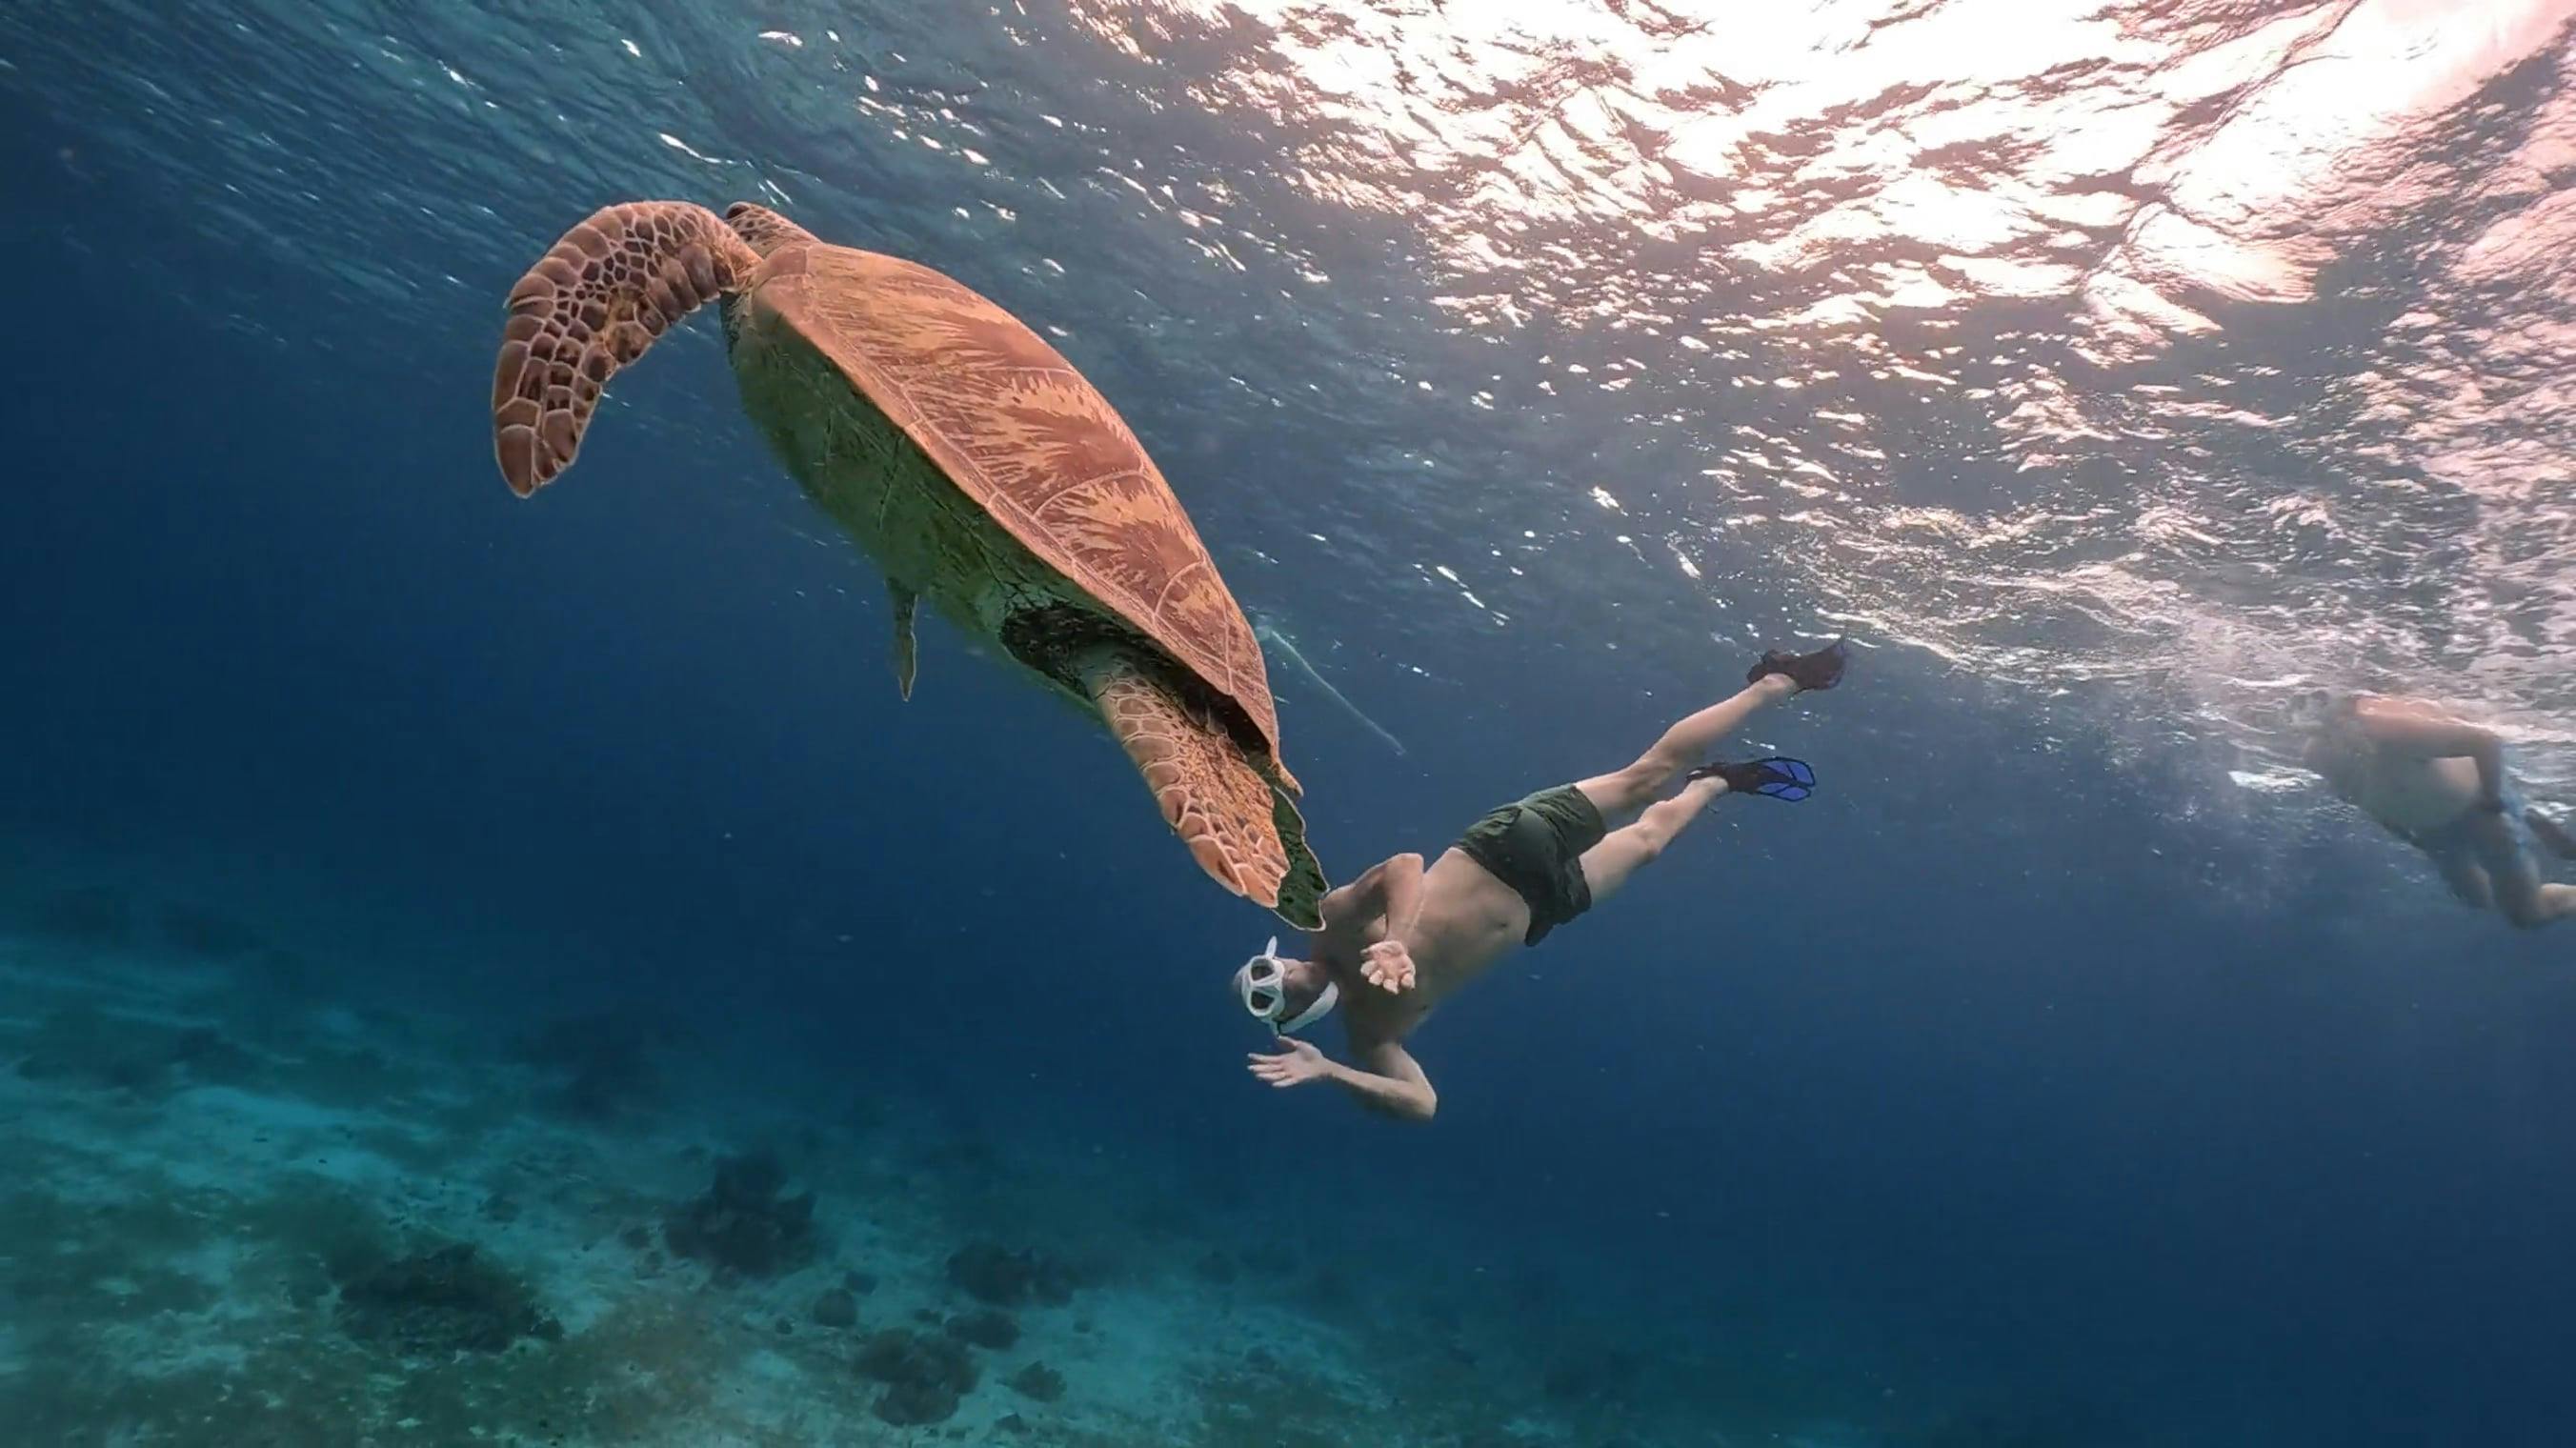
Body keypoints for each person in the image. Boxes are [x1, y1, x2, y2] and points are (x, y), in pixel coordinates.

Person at [1233, 639, 1850, 1120]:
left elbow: (1404, 865)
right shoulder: (1373, 1035)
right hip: (1542, 908)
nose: (1277, 977)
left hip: (1501, 848)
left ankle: (1777, 680)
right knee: (1649, 843)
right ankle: (1718, 782)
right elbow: (1422, 1104)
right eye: (1267, 994)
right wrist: (1329, 1072)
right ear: (1288, 1022)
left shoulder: (1331, 925)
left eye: (1265, 967)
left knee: (1643, 779)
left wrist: (1395, 938)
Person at [2302, 692, 2576, 930]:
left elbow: (2484, 741)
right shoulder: (2316, 757)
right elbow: (2360, 797)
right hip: (2430, 830)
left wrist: (2492, 803)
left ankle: (2534, 826)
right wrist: (2404, 833)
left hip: (2479, 810)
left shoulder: (2386, 729)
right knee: (2478, 899)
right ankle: (2534, 824)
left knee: (2526, 916)